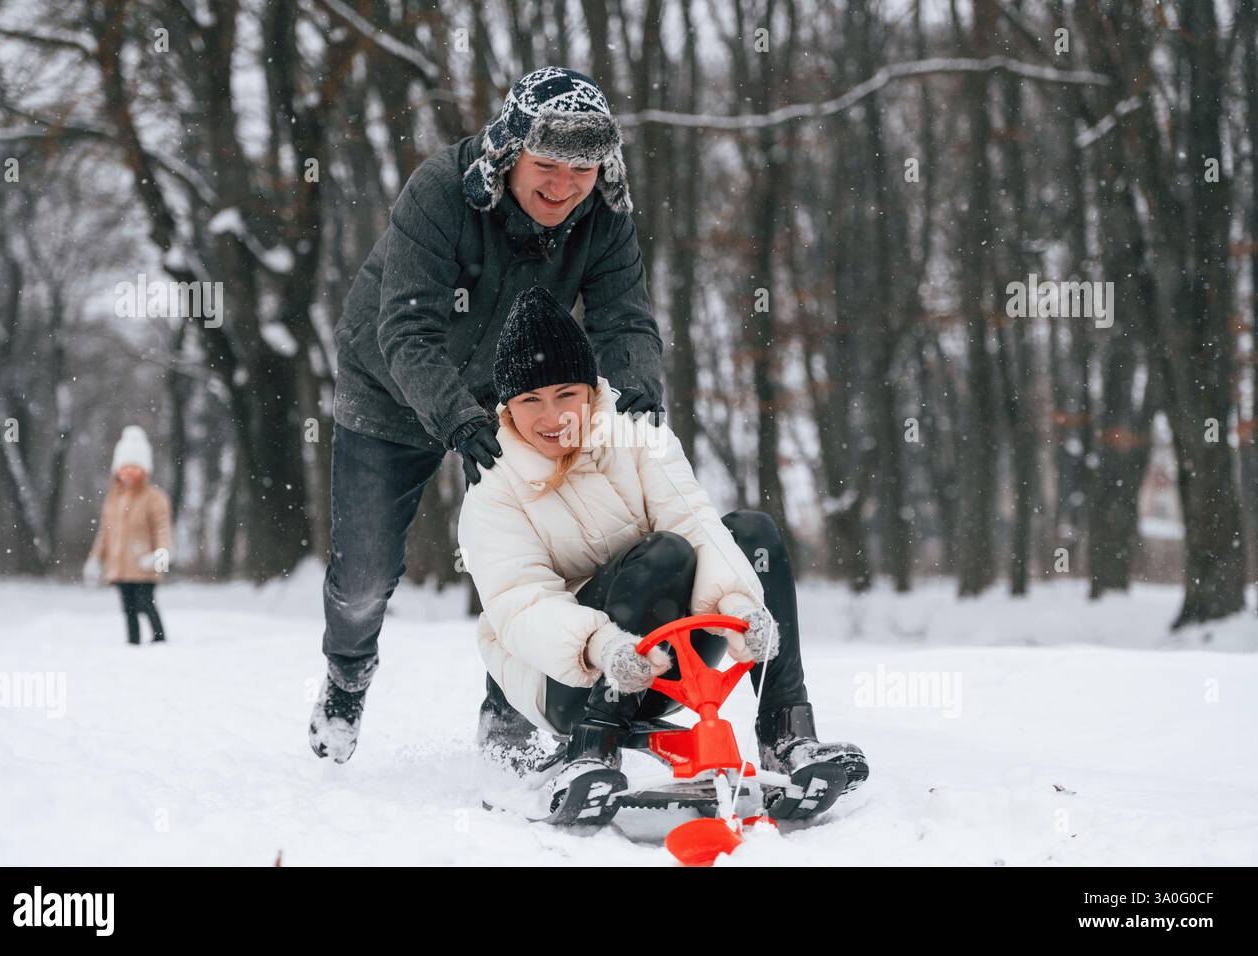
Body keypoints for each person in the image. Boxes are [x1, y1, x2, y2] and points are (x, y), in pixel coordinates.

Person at [310, 66, 666, 763]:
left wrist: (632, 400)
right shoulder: (443, 191)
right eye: (548, 166)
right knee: (364, 575)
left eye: (583, 171)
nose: (564, 187)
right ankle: (347, 676)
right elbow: (406, 330)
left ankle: (509, 713)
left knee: (527, 566)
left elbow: (625, 320)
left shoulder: (604, 216)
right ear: (510, 152)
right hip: (390, 386)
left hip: (517, 402)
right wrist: (454, 415)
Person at [456, 287, 869, 825]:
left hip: (665, 665)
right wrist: (602, 648)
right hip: (572, 681)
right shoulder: (493, 485)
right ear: (508, 408)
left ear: (590, 390)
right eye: (531, 400)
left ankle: (787, 735)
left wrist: (742, 608)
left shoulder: (638, 435)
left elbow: (693, 521)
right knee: (661, 555)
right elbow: (520, 603)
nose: (552, 415)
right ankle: (592, 749)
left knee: (751, 532)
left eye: (565, 394)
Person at [83, 426, 173, 645]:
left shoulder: (154, 498)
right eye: (125, 468)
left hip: (144, 565)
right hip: (120, 566)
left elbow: (163, 531)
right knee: (128, 608)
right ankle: (132, 644)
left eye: (135, 468)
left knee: (146, 603)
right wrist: (95, 559)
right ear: (118, 470)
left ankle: (159, 640)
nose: (129, 473)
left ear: (144, 470)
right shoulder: (113, 499)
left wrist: (160, 558)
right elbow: (104, 533)